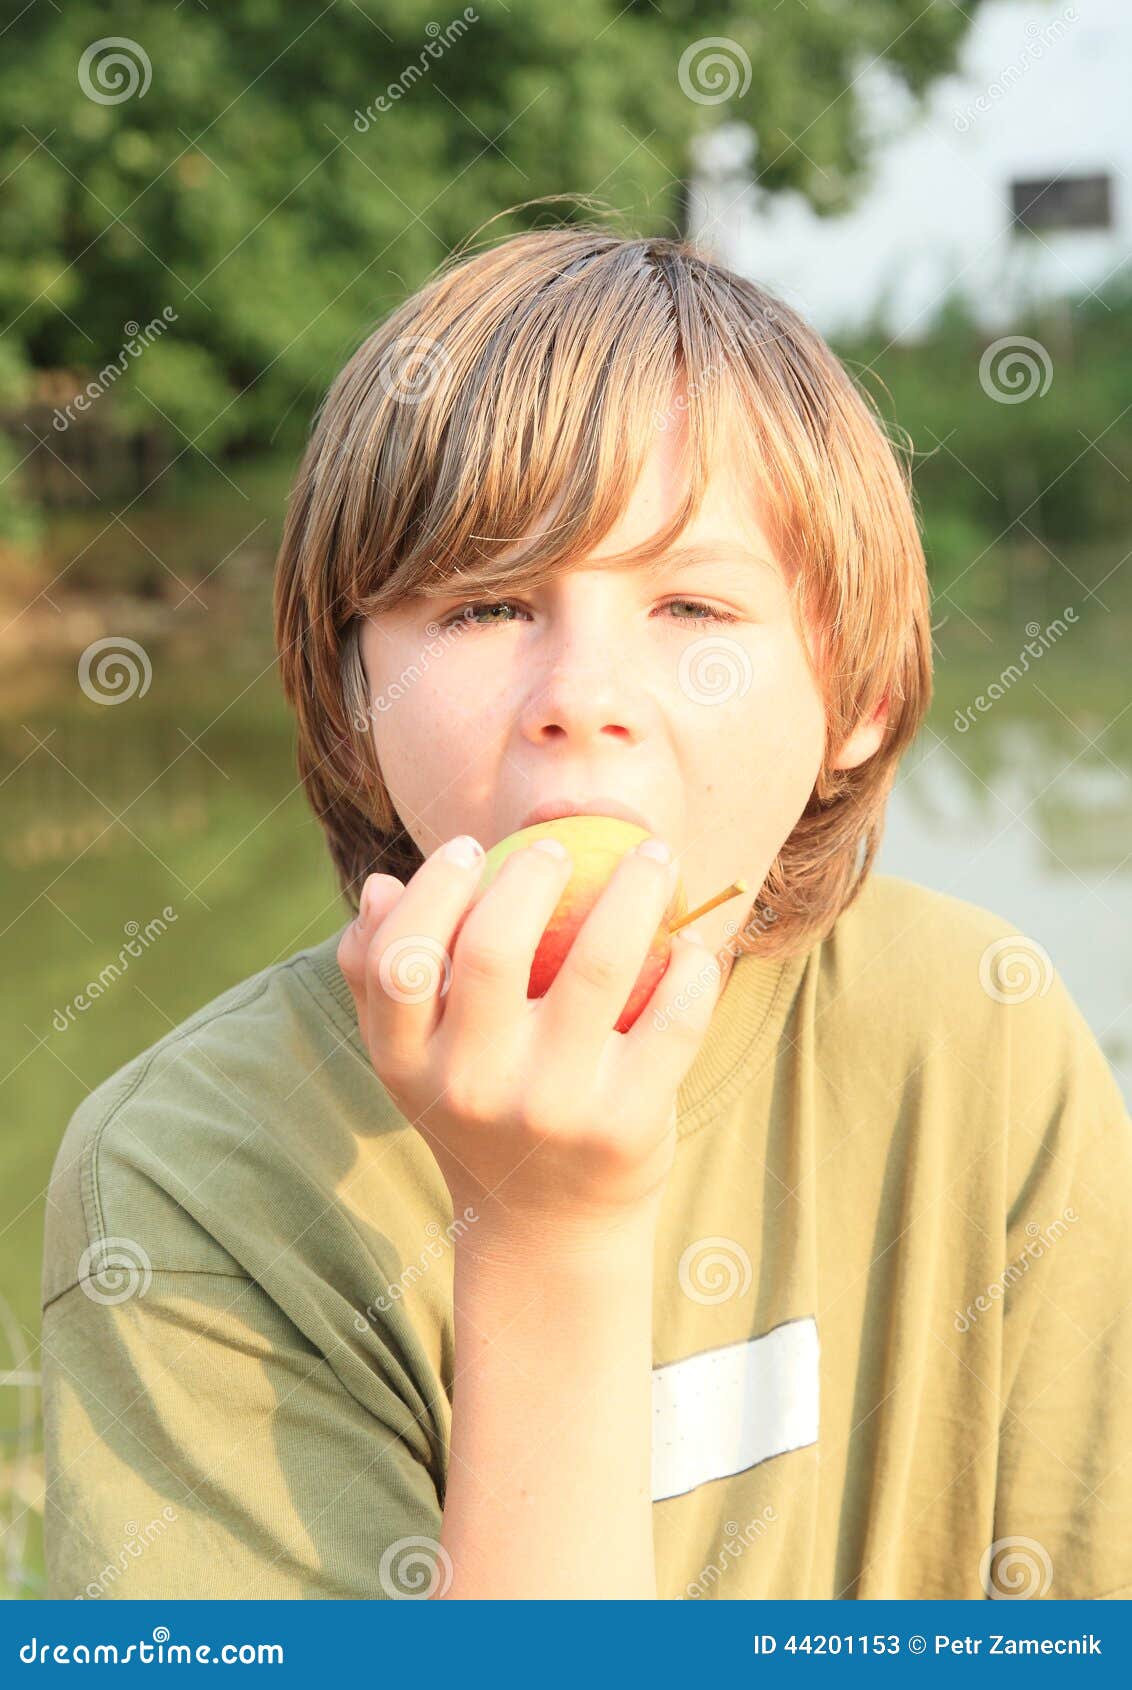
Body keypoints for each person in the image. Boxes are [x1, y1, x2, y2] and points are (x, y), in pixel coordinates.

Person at [41, 223, 1132, 1601]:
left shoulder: (983, 1034)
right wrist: (542, 1232)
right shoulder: (188, 1171)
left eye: (690, 603)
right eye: (491, 604)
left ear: (854, 699)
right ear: (352, 696)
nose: (585, 690)